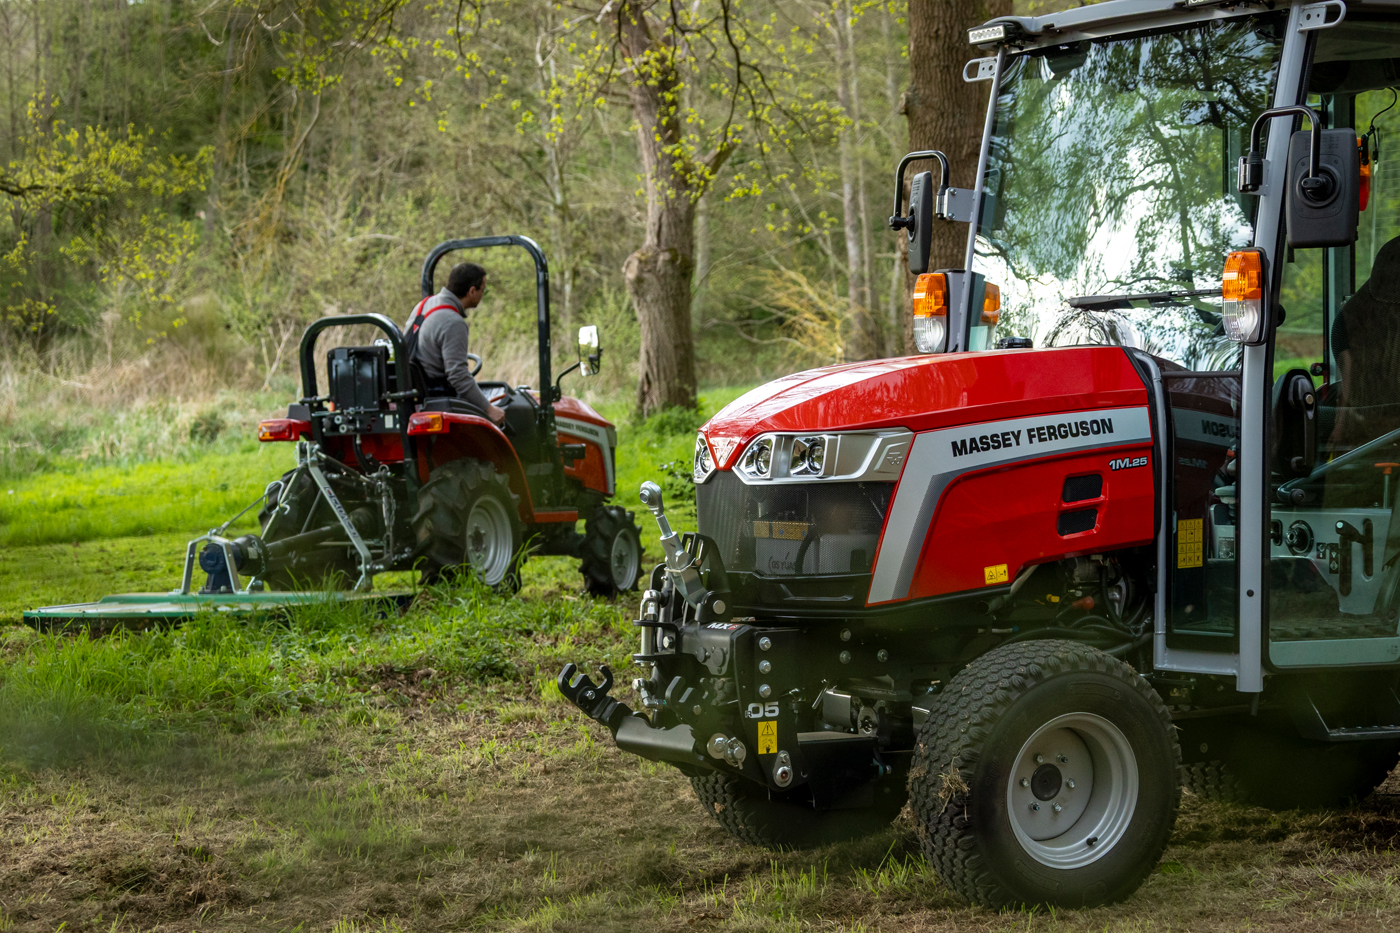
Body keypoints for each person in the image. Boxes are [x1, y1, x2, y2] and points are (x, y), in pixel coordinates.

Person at [403, 261, 506, 427]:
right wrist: (489, 409)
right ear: (472, 291)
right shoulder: (453, 321)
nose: (482, 294)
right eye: (482, 290)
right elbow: (457, 375)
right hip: (437, 397)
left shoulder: (424, 305)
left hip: (415, 392)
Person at [1329, 235, 1400, 451]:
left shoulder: (1350, 318)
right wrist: (1340, 429)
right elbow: (1348, 385)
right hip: (1365, 442)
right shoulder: (1353, 321)